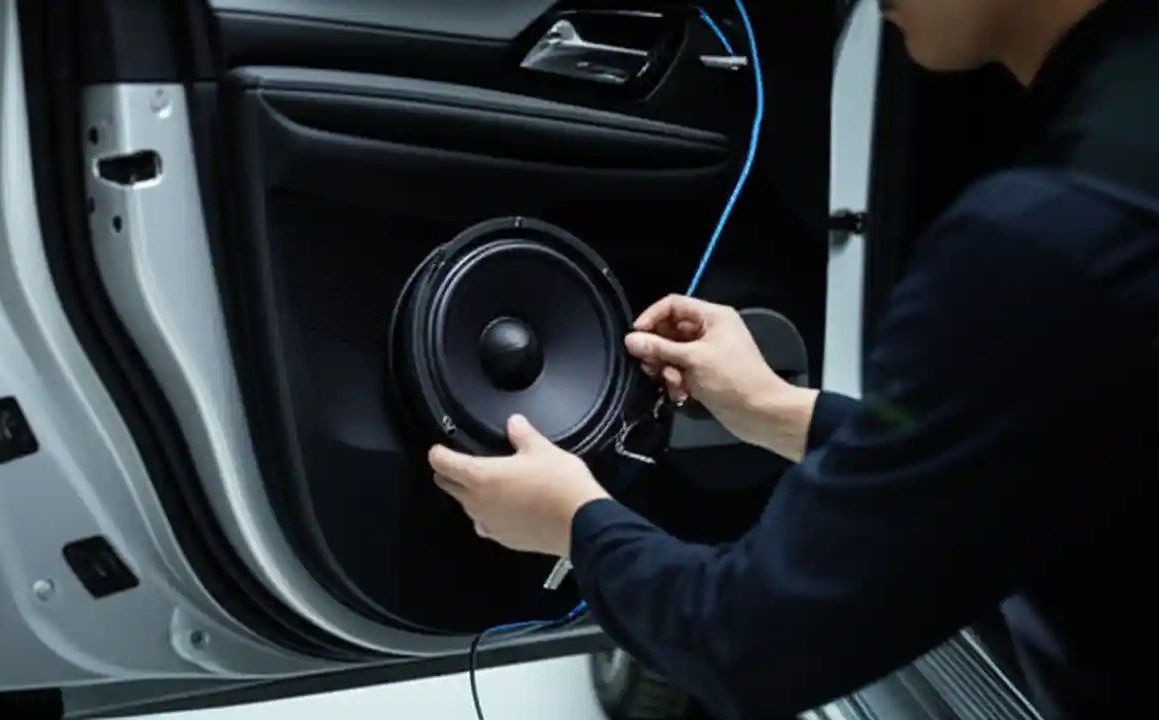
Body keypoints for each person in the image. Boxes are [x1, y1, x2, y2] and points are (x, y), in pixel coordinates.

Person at [430, 0, 1159, 717]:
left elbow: (749, 642)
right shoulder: (1108, 179)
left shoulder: (1042, 243)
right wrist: (777, 409)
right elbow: (1032, 446)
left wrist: (574, 523)